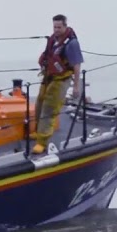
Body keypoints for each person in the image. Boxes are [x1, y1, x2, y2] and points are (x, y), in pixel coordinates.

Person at [32, 14, 84, 155]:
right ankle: (37, 131)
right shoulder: (53, 40)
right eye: (54, 27)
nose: (56, 30)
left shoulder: (72, 43)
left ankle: (42, 142)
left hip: (61, 79)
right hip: (48, 77)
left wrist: (76, 86)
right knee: (39, 104)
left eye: (59, 27)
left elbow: (77, 65)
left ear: (65, 26)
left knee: (49, 109)